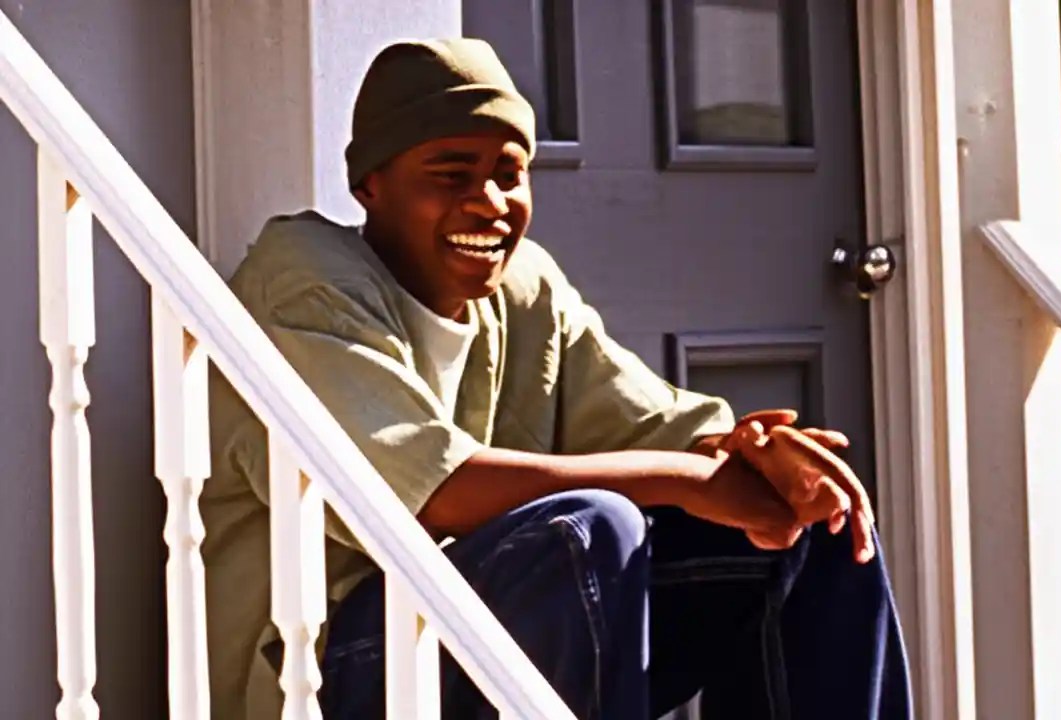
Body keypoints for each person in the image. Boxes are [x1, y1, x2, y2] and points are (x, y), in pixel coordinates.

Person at [203, 38, 911, 720]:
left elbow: (660, 423)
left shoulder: (523, 289)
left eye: (509, 174)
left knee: (811, 518)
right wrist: (687, 480)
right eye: (450, 174)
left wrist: (758, 454)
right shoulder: (300, 275)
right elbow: (437, 493)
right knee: (589, 530)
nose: (489, 202)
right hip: (325, 667)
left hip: (476, 629)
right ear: (370, 185)